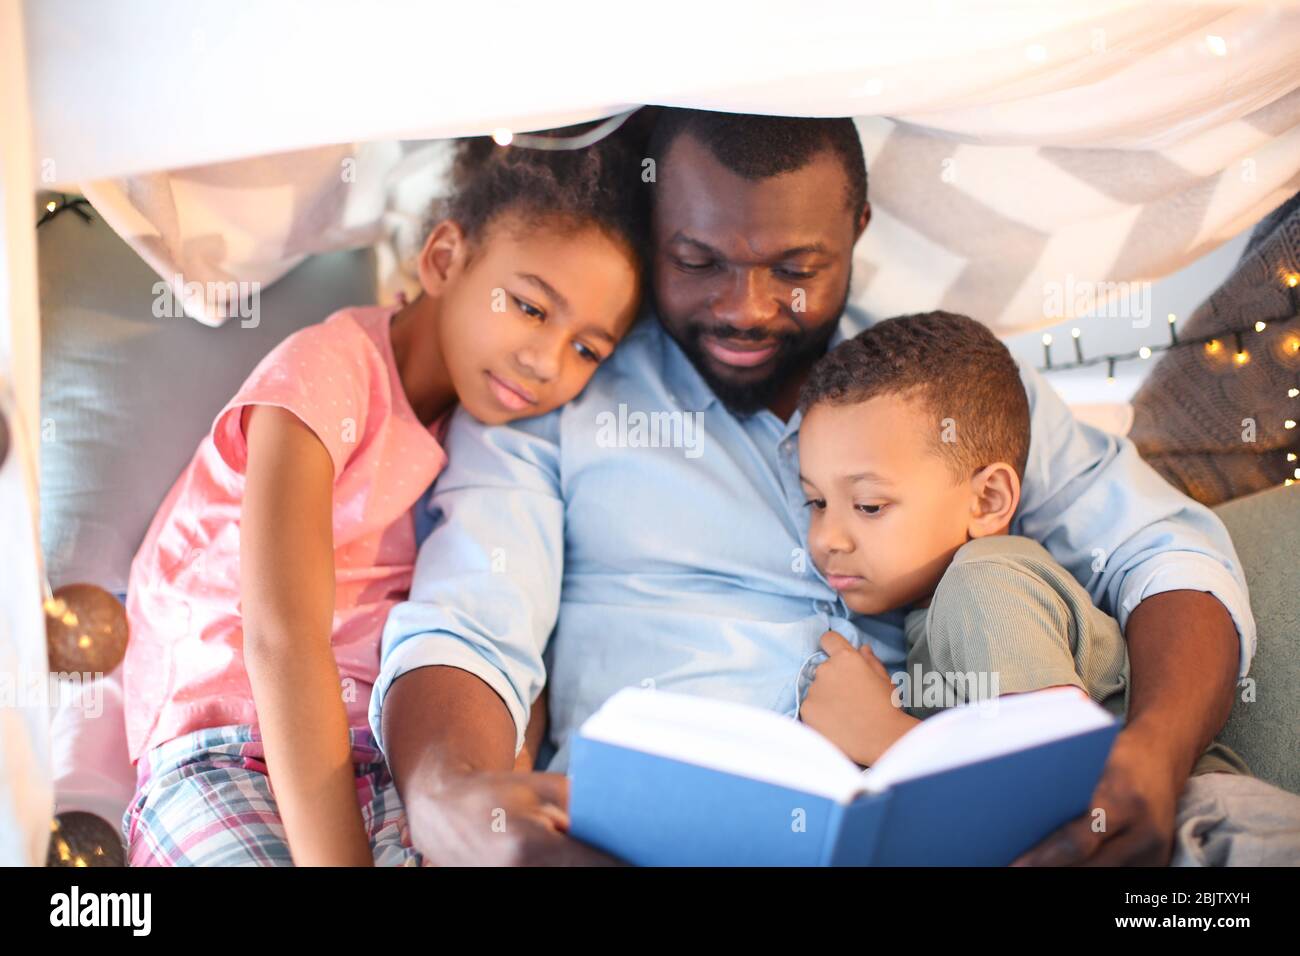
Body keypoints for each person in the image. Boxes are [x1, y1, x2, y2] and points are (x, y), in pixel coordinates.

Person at [372, 108, 1279, 866]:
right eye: (699, 262)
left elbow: (1163, 550)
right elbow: (470, 624)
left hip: (962, 823)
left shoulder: (945, 377)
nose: (747, 308)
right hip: (670, 842)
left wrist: (1155, 752)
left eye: (796, 271)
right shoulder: (556, 391)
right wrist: (449, 793)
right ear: (655, 236)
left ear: (858, 229)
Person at [120, 129, 646, 866]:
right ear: (442, 259)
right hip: (229, 743)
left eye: (587, 348)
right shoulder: (329, 370)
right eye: (530, 307)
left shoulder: (482, 443)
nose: (546, 361)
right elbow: (278, 635)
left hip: (380, 766)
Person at [794, 311, 1250, 787]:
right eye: (816, 502)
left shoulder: (984, 584)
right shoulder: (940, 612)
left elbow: (1054, 787)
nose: (826, 538)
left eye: (868, 505)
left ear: (988, 500)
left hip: (1201, 822)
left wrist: (884, 735)